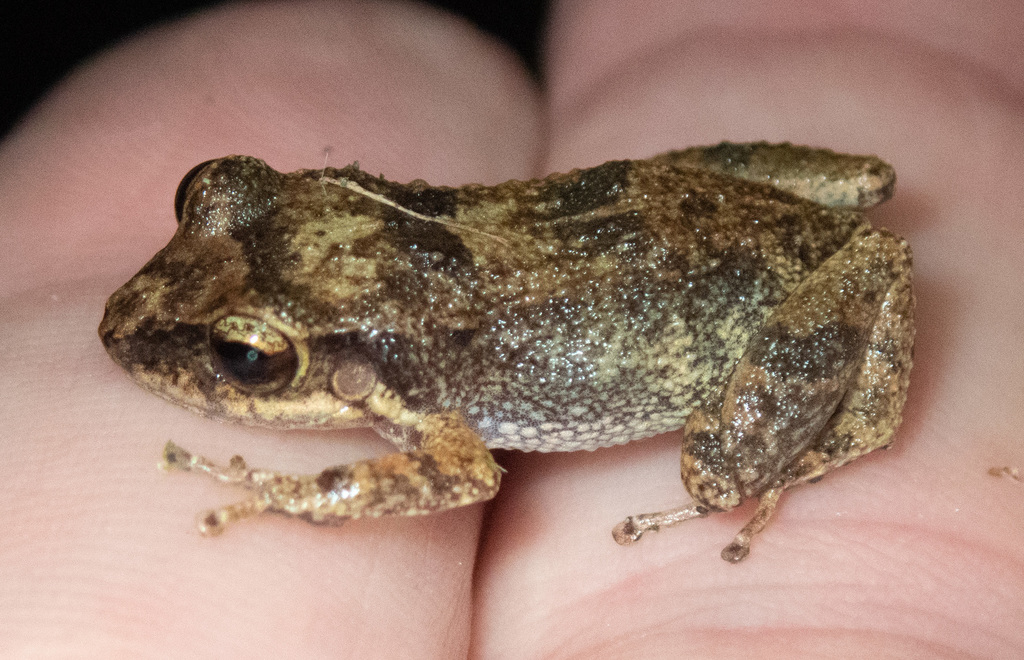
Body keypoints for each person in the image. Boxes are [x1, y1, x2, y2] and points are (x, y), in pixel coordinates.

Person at [2, 1, 1022, 656]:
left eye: (249, 357)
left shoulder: (419, 394)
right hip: (678, 216)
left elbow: (461, 471)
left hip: (746, 293)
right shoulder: (341, 270)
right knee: (858, 206)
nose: (173, 328)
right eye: (208, 200)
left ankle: (840, 439)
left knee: (717, 474)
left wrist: (295, 493)